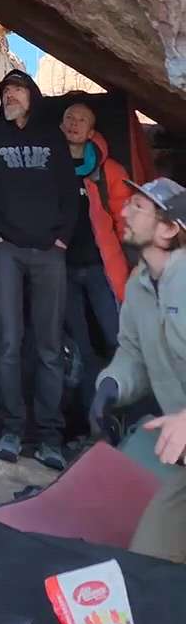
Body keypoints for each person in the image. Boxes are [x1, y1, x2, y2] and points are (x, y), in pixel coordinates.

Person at [0, 70, 79, 470]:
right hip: (7, 251)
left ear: (32, 95)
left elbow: (70, 191)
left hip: (50, 252)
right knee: (8, 342)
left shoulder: (51, 138)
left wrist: (62, 238)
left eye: (16, 90)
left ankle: (50, 435)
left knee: (49, 346)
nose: (9, 95)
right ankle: (12, 428)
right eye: (5, 91)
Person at [89, 179, 186, 563]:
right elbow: (133, 353)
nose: (124, 211)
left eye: (138, 207)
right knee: (148, 560)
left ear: (168, 229)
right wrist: (111, 386)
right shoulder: (140, 285)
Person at [60, 100, 131, 411]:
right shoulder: (49, 168)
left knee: (118, 340)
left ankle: (126, 414)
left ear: (91, 131)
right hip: (61, 269)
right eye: (70, 118)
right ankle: (94, 419)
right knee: (79, 346)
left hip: (102, 268)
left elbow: (127, 221)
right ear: (61, 125)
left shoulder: (109, 171)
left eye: (82, 120)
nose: (75, 124)